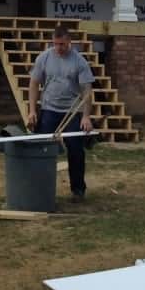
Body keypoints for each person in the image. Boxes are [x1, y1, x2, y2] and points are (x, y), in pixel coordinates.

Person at [27, 23, 95, 200]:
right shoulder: (44, 58)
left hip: (71, 112)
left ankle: (78, 190)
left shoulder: (79, 61)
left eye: (62, 44)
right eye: (55, 44)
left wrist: (86, 116)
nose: (58, 48)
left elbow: (87, 91)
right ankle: (39, 189)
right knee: (42, 148)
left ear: (69, 42)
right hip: (49, 109)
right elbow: (34, 84)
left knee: (75, 148)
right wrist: (32, 111)